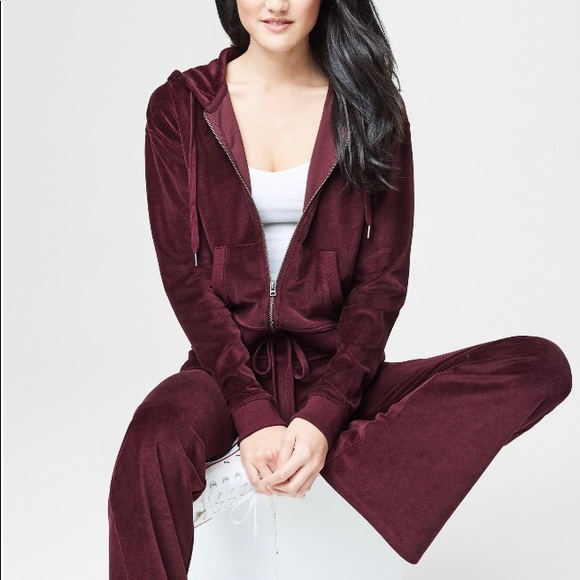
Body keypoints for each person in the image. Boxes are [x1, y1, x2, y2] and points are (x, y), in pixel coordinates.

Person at [108, 1, 573, 577]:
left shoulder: (371, 109)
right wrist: (251, 409)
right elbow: (183, 273)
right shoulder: (181, 107)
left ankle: (328, 465)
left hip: (338, 371)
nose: (276, 4)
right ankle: (304, 460)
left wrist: (324, 416)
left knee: (537, 365)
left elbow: (383, 281)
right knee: (151, 442)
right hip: (223, 371)